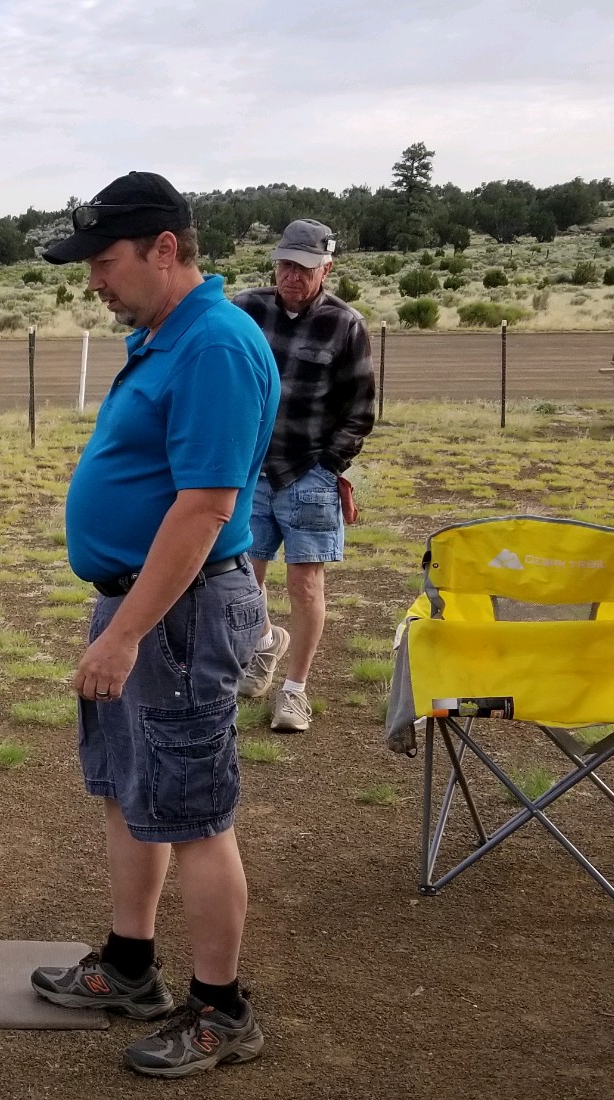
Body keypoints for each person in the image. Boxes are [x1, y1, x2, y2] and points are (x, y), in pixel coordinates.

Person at [25, 172, 280, 1078]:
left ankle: (221, 1010)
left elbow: (206, 507)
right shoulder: (165, 335)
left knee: (196, 815)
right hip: (140, 603)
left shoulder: (212, 344)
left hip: (176, 610)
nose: (93, 279)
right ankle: (130, 965)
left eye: (104, 260)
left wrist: (127, 631)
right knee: (129, 791)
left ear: (163, 249)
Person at [229, 219, 378, 733]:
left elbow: (360, 410)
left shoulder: (346, 325)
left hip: (310, 474)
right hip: (251, 471)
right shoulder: (245, 310)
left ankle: (295, 691)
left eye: (305, 268)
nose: (293, 276)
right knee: (243, 577)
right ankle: (265, 644)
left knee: (305, 584)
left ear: (326, 269)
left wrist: (327, 467)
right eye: (286, 265)